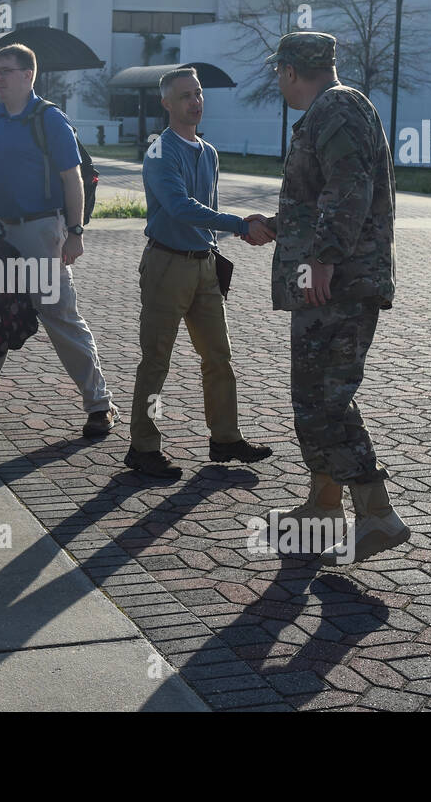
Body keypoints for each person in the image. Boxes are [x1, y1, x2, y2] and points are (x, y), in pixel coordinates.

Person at [245, 31, 409, 564]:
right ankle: (322, 507)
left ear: (292, 69)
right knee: (311, 398)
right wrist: (285, 226)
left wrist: (323, 257)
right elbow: (325, 194)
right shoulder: (334, 108)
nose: (277, 80)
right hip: (325, 282)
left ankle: (377, 512)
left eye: (278, 71)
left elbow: (348, 187)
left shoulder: (337, 107)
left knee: (325, 401)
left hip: (338, 285)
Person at [125, 68, 275, 478]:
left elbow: (206, 212)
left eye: (199, 94)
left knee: (218, 356)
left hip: (204, 264)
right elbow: (181, 207)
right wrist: (241, 224)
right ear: (167, 103)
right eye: (185, 96)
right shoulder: (160, 151)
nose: (195, 102)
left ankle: (225, 438)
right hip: (166, 265)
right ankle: (143, 446)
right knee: (156, 360)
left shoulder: (208, 151)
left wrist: (235, 234)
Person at [0, 44, 117, 438]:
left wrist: (75, 233)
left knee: (58, 314)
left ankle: (98, 404)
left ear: (27, 75)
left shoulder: (49, 119)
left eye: (6, 71)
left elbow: (73, 180)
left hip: (40, 231)